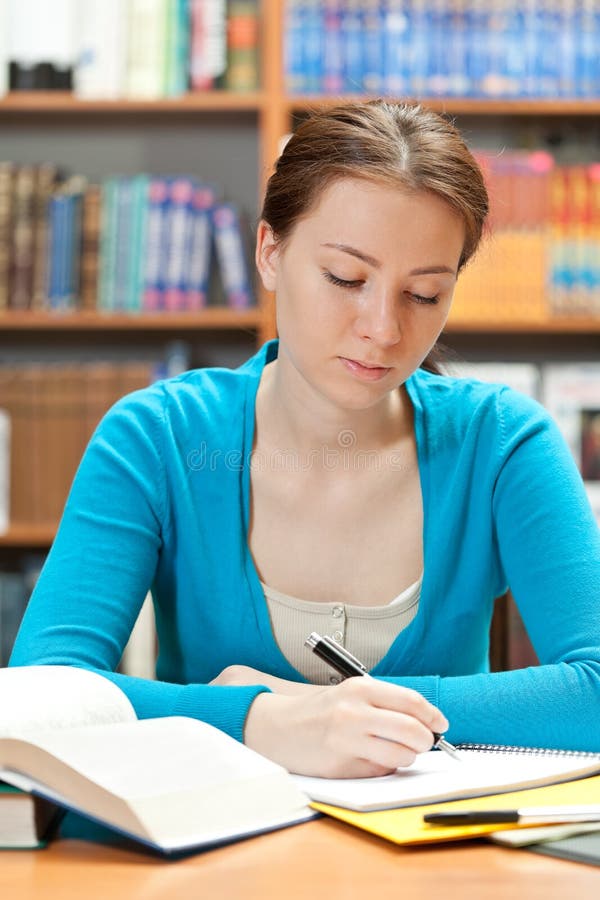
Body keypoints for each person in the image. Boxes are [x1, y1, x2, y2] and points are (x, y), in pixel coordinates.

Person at [11, 101, 600, 777]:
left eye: (426, 294)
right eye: (346, 279)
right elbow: (43, 694)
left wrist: (345, 716)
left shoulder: (501, 445)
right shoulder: (160, 439)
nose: (383, 328)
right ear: (270, 251)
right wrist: (259, 721)